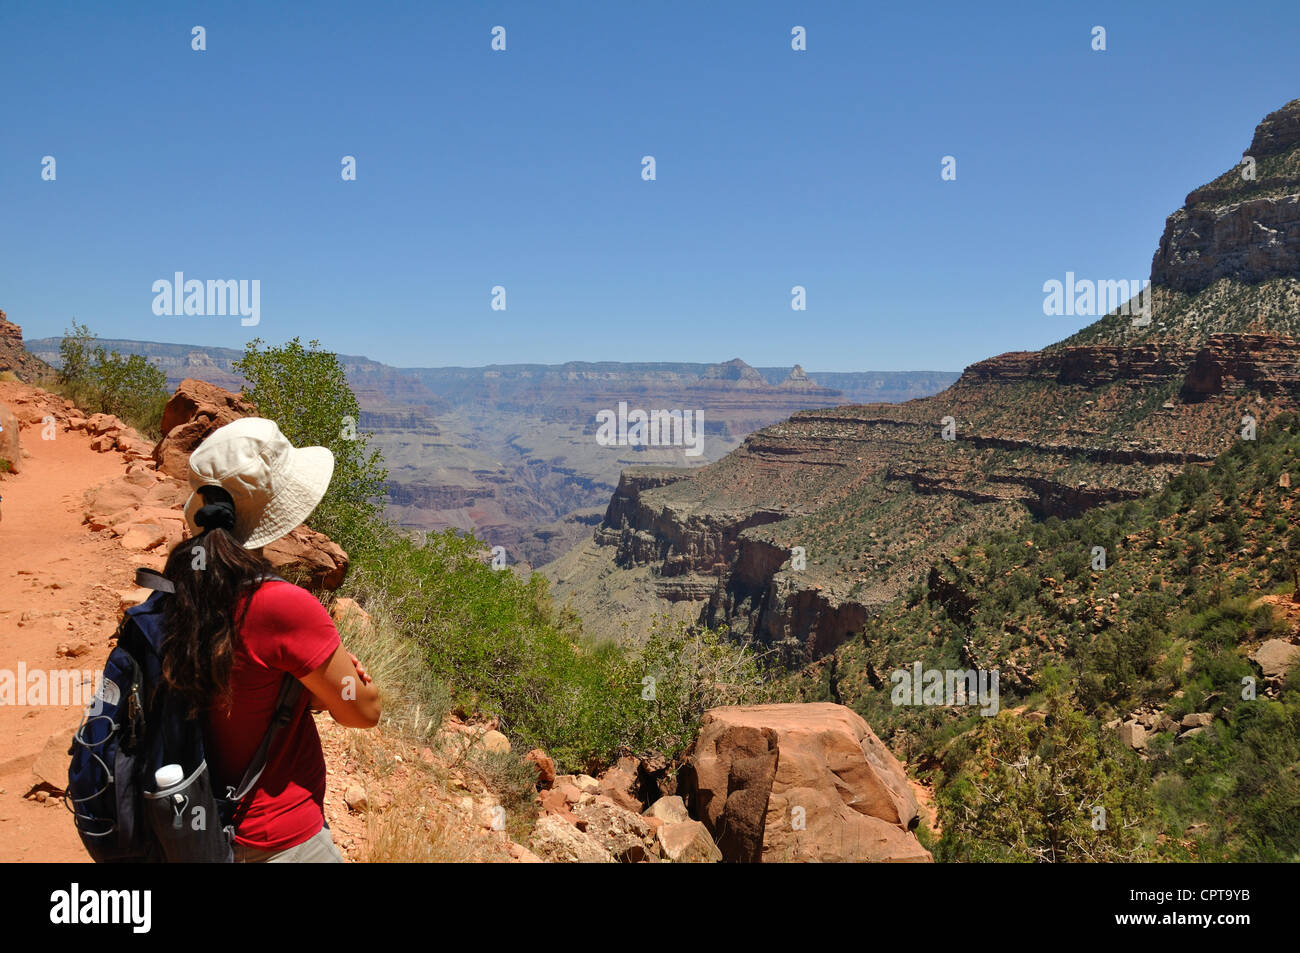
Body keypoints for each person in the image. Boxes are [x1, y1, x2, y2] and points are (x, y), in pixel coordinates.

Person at [158, 416, 380, 863]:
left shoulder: (177, 591)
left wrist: (302, 689)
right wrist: (344, 680)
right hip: (276, 838)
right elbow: (364, 712)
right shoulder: (282, 606)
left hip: (189, 827)